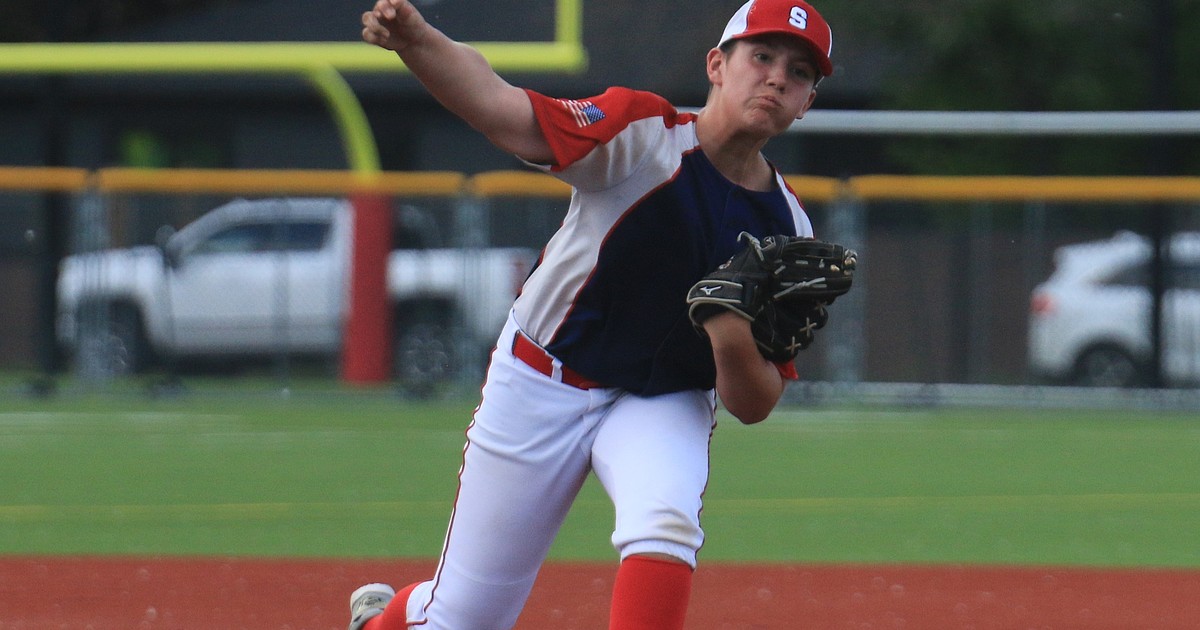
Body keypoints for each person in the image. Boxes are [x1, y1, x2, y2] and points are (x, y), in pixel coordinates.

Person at [352, 0, 835, 628]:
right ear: (717, 65)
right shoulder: (644, 136)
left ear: (806, 103)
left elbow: (754, 402)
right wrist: (418, 42)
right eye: (762, 56)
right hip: (543, 378)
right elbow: (508, 112)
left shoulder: (790, 233)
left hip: (663, 398)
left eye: (798, 72)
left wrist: (730, 332)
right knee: (465, 618)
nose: (776, 77)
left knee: (665, 522)